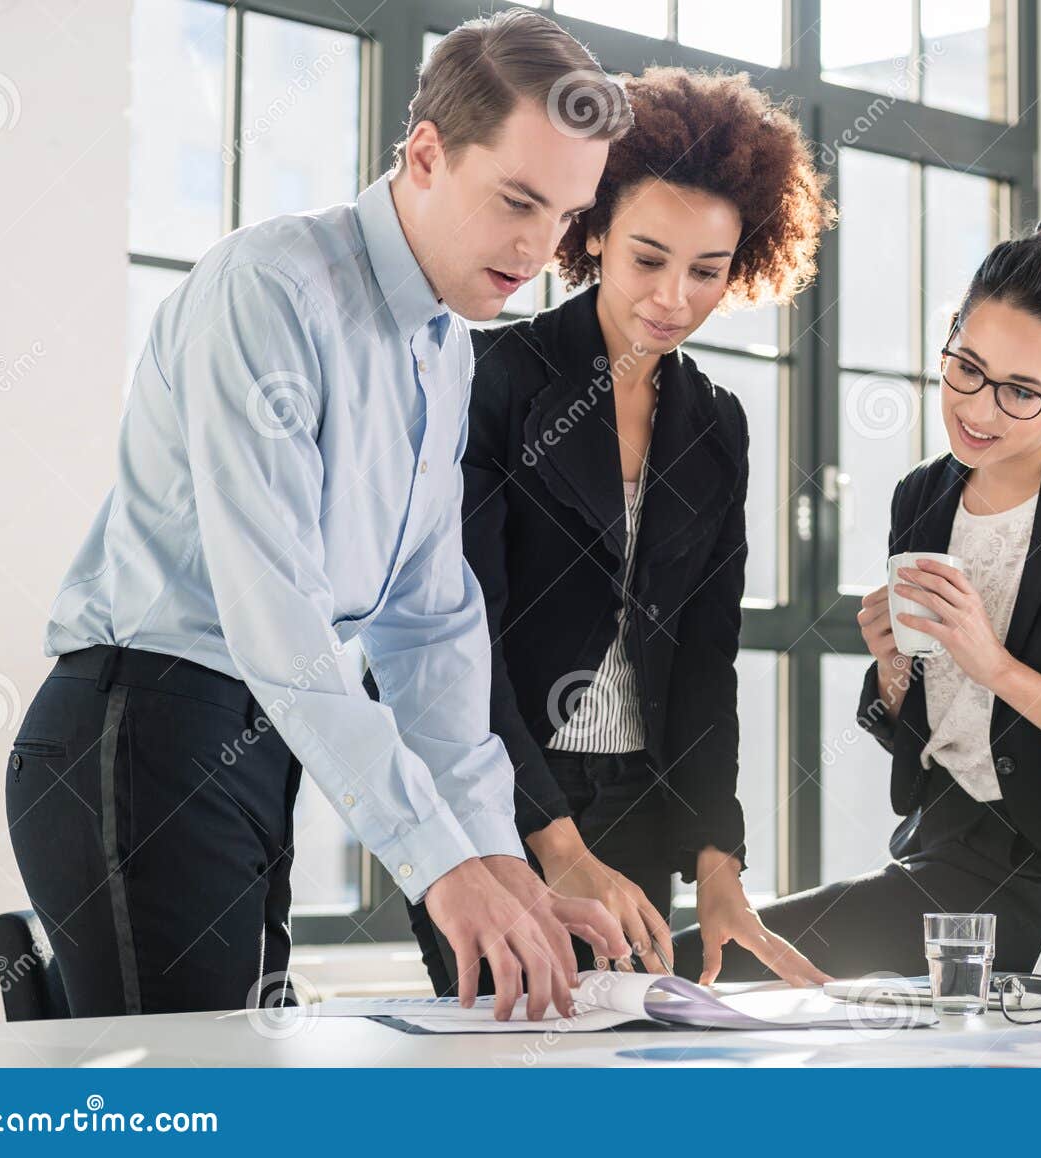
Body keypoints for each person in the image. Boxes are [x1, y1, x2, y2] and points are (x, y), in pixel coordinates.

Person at [5, 11, 633, 1022]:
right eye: (517, 200)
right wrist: (437, 865)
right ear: (425, 154)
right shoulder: (272, 289)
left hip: (257, 741)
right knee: (202, 1107)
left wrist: (492, 856)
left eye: (564, 216)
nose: (539, 248)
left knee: (247, 1079)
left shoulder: (442, 344)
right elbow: (277, 614)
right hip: (142, 729)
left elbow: (428, 627)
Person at [673, 218, 1041, 980]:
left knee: (711, 961)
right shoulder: (925, 497)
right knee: (696, 961)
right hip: (943, 859)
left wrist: (994, 666)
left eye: (1021, 392)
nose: (980, 409)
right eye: (966, 366)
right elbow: (917, 732)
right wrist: (895, 671)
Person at [406, 67, 836, 994]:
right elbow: (455, 639)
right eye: (648, 258)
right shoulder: (493, 378)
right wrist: (551, 840)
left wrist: (720, 867)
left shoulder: (717, 424)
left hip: (644, 805)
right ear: (591, 229)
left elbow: (704, 660)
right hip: (502, 797)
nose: (674, 297)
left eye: (708, 272)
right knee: (518, 1054)